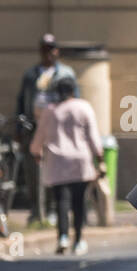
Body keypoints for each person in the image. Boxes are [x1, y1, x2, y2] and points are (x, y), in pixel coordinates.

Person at [29, 77, 101, 256]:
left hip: (56, 161)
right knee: (78, 203)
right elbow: (92, 136)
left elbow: (38, 138)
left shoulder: (49, 111)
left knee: (61, 201)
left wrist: (36, 152)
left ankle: (62, 236)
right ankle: (78, 240)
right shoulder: (84, 107)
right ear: (73, 90)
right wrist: (99, 158)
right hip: (80, 161)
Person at [16, 34, 78, 224]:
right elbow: (20, 101)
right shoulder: (31, 75)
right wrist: (19, 127)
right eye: (44, 49)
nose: (48, 53)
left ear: (56, 51)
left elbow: (74, 100)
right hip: (33, 127)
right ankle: (36, 210)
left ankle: (51, 210)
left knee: (53, 170)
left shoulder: (66, 73)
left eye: (51, 48)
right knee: (32, 171)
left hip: (56, 129)